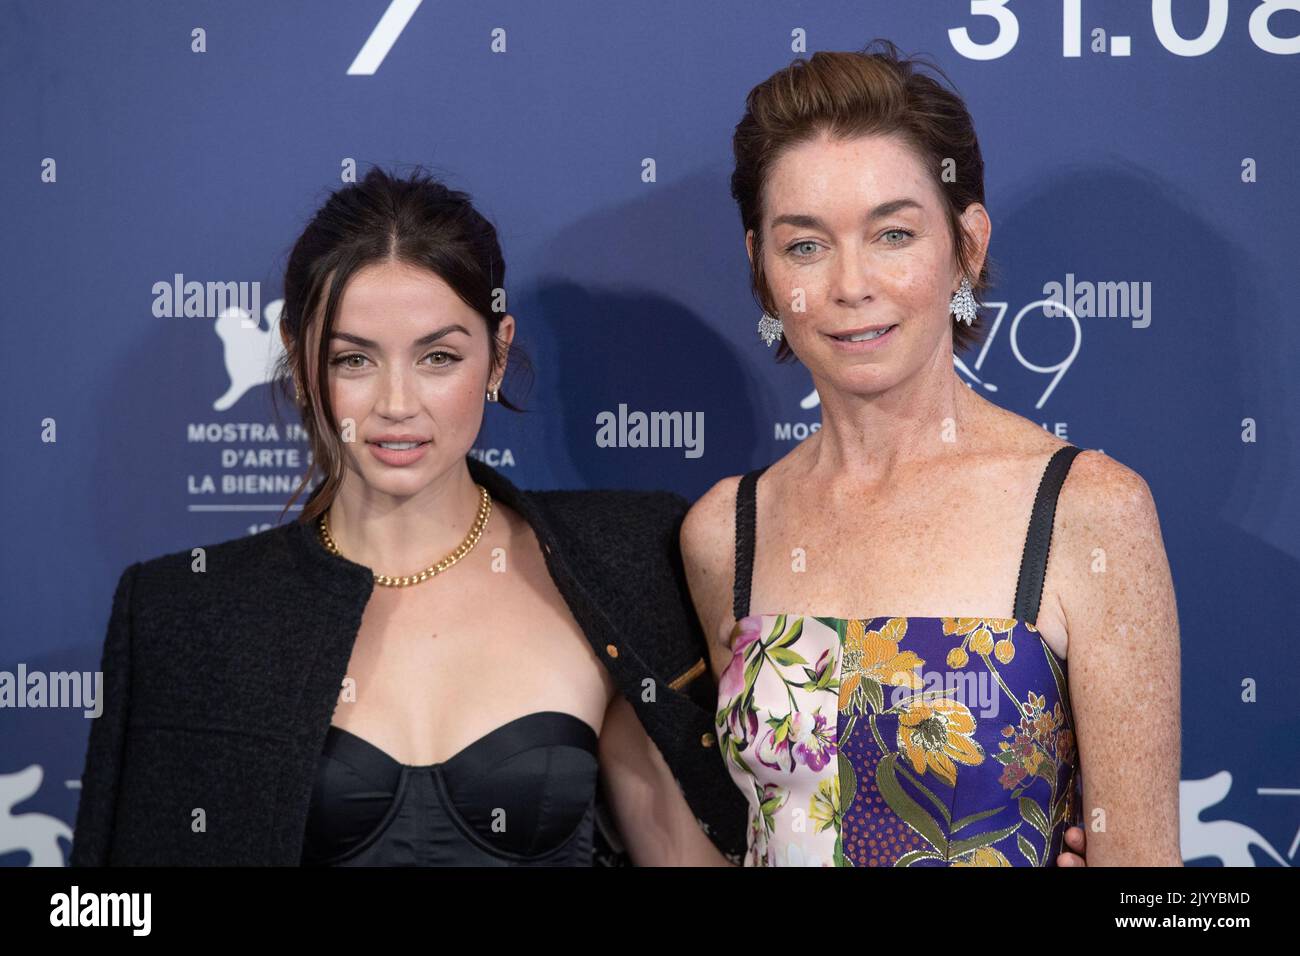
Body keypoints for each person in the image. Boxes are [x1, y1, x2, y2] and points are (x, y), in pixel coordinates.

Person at [70, 167, 745, 866]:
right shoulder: (190, 615)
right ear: (300, 362)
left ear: (498, 354)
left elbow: (679, 848)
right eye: (355, 358)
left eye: (439, 357)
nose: (397, 403)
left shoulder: (618, 567)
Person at [680, 42, 1179, 866]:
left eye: (893, 234)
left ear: (967, 245)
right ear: (761, 271)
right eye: (805, 245)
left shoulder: (1087, 509)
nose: (850, 285)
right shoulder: (725, 529)